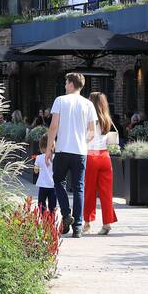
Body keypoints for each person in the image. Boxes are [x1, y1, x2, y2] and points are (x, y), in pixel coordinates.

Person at [48, 72, 97, 238]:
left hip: (62, 150)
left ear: (70, 84)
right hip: (80, 151)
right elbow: (92, 131)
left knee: (58, 182)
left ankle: (66, 214)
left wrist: (49, 148)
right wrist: (83, 142)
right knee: (79, 188)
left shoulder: (60, 100)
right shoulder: (88, 104)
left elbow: (53, 126)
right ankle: (77, 226)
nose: (64, 85)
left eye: (66, 82)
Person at [83, 91, 120, 235]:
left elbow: (85, 137)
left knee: (89, 191)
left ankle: (87, 223)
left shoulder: (88, 118)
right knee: (106, 193)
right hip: (105, 156)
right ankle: (107, 223)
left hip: (91, 155)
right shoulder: (106, 118)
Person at [33, 135, 57, 215]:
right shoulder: (55, 157)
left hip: (42, 185)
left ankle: (44, 219)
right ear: (52, 146)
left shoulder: (39, 158)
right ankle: (51, 220)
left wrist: (37, 168)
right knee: (52, 205)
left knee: (41, 203)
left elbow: (36, 171)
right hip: (53, 185)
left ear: (41, 147)